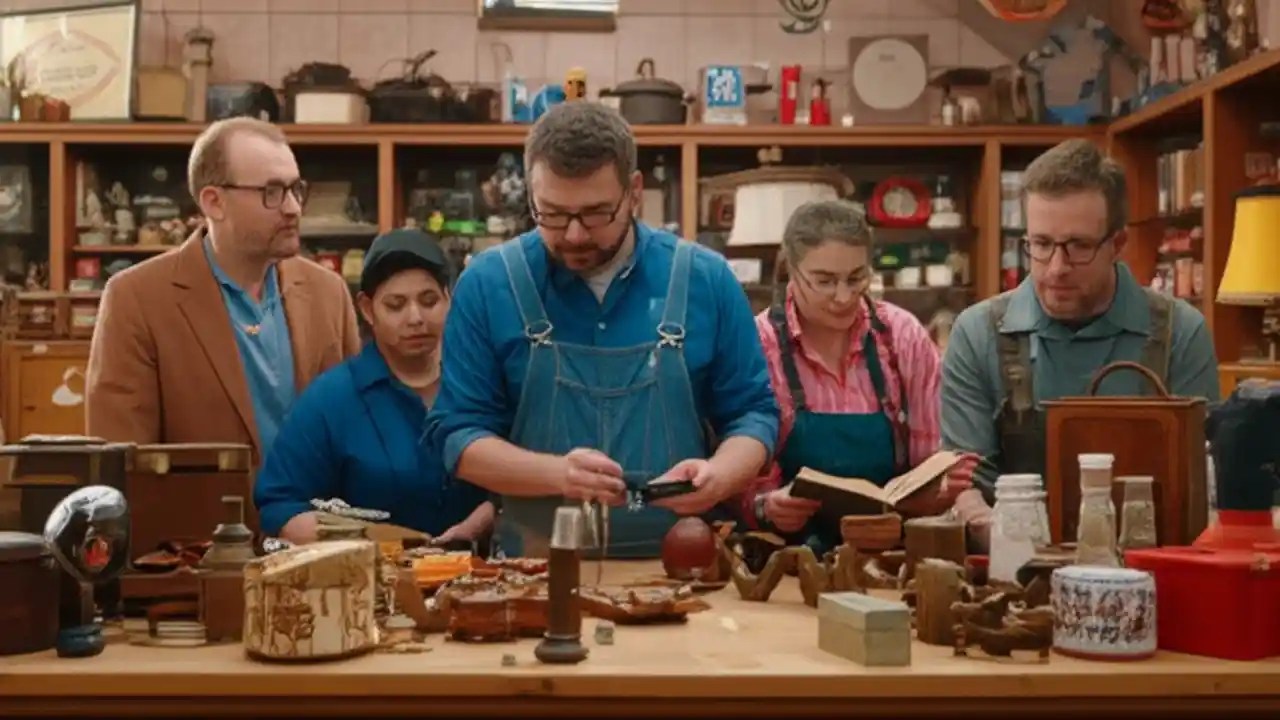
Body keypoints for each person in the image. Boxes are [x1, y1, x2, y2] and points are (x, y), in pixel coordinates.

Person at [427, 102, 779, 559]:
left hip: (680, 571)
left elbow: (754, 415)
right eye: (552, 213)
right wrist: (557, 474)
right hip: (533, 573)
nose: (574, 235)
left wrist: (722, 475)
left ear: (634, 193)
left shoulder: (706, 280)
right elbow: (458, 436)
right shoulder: (489, 284)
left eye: (595, 214)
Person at [941, 139, 1220, 534]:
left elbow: (1203, 482)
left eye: (1079, 246)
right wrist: (995, 534)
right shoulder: (977, 333)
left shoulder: (1180, 333)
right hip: (1012, 556)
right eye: (1041, 244)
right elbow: (965, 484)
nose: (1057, 268)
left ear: (1117, 244)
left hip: (1151, 557)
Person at [86, 117, 360, 463]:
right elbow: (120, 464)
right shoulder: (137, 299)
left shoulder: (328, 293)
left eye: (295, 189)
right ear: (214, 202)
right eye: (272, 192)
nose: (293, 207)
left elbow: (357, 436)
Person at [741, 200, 974, 551]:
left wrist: (936, 490)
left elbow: (929, 459)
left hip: (890, 553)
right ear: (790, 269)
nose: (844, 297)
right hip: (789, 558)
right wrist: (767, 506)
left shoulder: (901, 337)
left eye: (856, 278)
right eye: (824, 281)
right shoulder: (758, 346)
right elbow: (742, 480)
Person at [254, 229, 492, 545]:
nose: (415, 318)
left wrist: (483, 520)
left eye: (429, 301)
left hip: (485, 572)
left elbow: (519, 484)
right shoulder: (332, 400)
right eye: (395, 305)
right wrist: (375, 543)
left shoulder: (483, 385)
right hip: (371, 572)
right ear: (367, 309)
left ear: (449, 299)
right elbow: (280, 505)